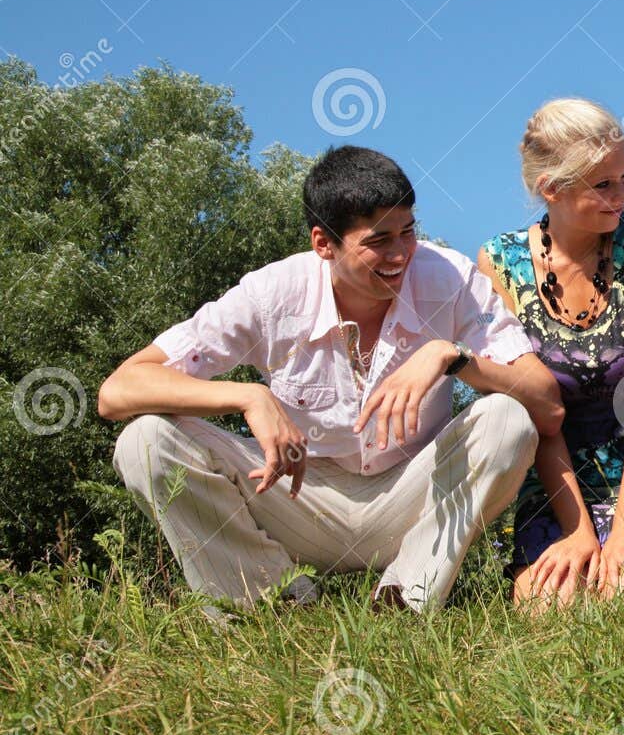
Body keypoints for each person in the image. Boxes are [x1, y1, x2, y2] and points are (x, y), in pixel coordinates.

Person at [99, 146, 560, 613]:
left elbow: (547, 403)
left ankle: (405, 600)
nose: (400, 254)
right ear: (323, 243)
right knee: (145, 440)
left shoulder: (450, 278)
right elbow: (118, 391)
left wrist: (451, 357)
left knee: (507, 418)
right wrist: (247, 396)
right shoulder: (272, 293)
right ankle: (271, 601)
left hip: (411, 498)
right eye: (379, 240)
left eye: (408, 232)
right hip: (295, 497)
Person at [480, 99, 624, 606]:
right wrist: (577, 530)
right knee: (547, 605)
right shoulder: (499, 262)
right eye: (604, 184)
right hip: (559, 488)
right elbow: (534, 407)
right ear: (552, 189)